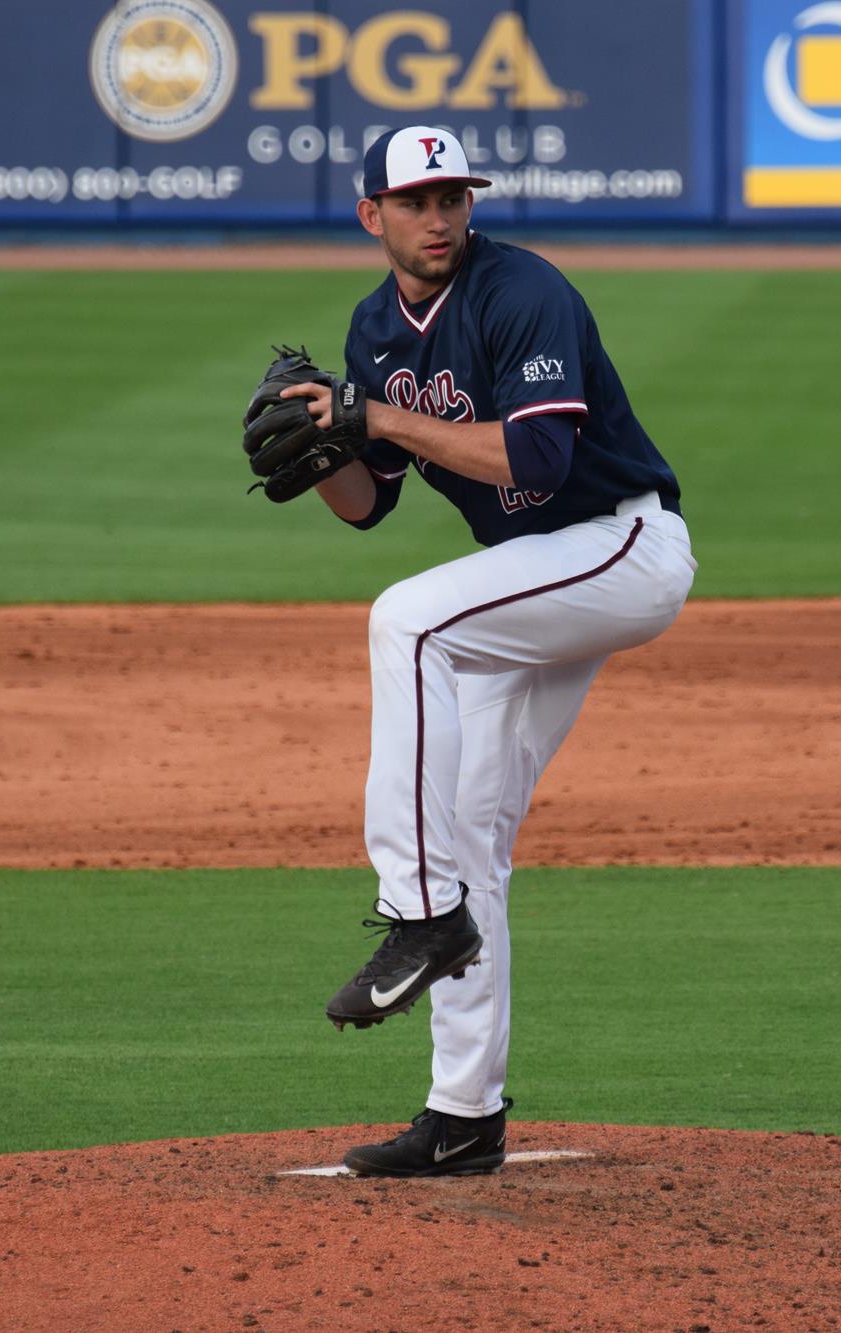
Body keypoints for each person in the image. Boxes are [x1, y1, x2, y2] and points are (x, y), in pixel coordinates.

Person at [272, 125, 696, 1178]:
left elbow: (537, 456)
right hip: (537, 579)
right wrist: (319, 449)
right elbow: (368, 504)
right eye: (414, 201)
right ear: (371, 214)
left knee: (404, 620)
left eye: (452, 197)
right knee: (469, 831)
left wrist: (374, 415)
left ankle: (416, 914)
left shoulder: (522, 292)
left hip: (618, 545)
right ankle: (464, 1115)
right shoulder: (377, 327)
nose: (438, 218)